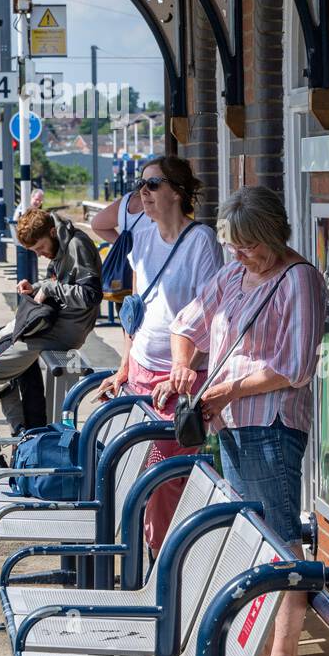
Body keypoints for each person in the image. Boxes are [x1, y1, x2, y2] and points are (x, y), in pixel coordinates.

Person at [167, 184, 326, 656]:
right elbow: (186, 323)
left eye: (250, 245)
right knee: (255, 536)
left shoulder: (298, 280)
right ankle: (261, 653)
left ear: (274, 235)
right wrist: (180, 366)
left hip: (269, 424)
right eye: (234, 245)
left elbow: (295, 367)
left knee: (279, 540)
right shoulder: (234, 271)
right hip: (230, 421)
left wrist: (226, 388)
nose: (241, 254)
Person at [90, 156, 223, 553]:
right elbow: (137, 310)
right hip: (142, 372)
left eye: (152, 185)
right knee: (131, 467)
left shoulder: (202, 242)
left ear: (178, 192)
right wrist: (123, 367)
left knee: (163, 474)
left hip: (180, 379)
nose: (142, 193)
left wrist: (186, 370)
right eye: (140, 185)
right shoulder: (143, 236)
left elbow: (213, 319)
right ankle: (151, 558)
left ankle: (168, 566)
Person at [0, 207, 103, 465]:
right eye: (35, 252)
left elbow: (90, 295)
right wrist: (37, 287)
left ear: (52, 232)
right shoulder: (62, 242)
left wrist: (49, 287)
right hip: (54, 324)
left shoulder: (76, 245)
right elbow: (62, 284)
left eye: (40, 248)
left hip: (62, 330)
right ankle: (22, 434)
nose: (41, 255)